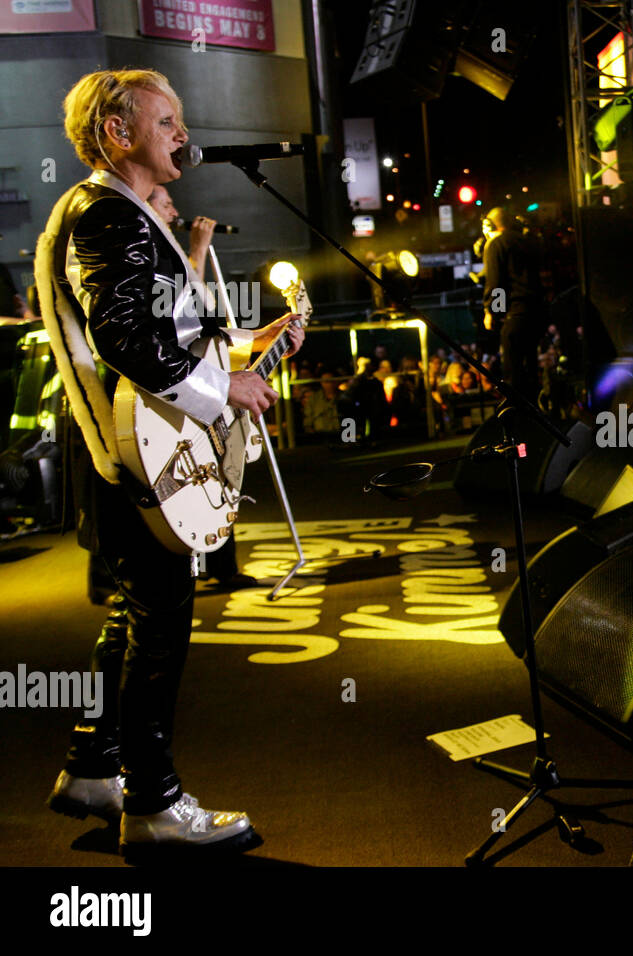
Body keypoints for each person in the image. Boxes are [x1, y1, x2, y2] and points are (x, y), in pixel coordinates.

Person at [37, 69, 302, 854]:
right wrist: (227, 393)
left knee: (135, 609)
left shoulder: (109, 214)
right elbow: (127, 341)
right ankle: (153, 804)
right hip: (128, 453)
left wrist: (249, 355)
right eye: (168, 121)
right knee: (159, 619)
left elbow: (166, 340)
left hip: (126, 448)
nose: (184, 135)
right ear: (118, 134)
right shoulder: (107, 215)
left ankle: (93, 765)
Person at [146, 184, 255, 590]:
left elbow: (200, 308)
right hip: (178, 384)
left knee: (216, 469)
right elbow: (181, 310)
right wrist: (198, 249)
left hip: (196, 378)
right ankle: (210, 565)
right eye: (165, 201)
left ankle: (218, 562)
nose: (175, 208)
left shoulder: (167, 247)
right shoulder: (150, 249)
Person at [480, 206, 543, 401]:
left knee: (513, 372)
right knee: (531, 366)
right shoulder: (526, 241)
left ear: (491, 224)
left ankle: (519, 419)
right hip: (535, 312)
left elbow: (497, 284)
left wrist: (493, 312)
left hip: (515, 315)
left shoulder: (496, 244)